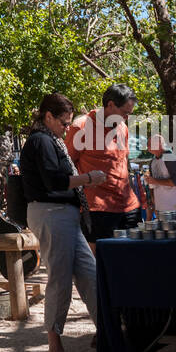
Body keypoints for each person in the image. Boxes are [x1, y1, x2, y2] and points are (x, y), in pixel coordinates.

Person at [20, 92, 106, 352]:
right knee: (59, 282)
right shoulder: (40, 140)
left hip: (64, 216)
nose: (67, 128)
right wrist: (88, 179)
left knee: (91, 275)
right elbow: (54, 180)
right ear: (48, 117)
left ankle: (108, 335)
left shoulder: (51, 140)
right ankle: (55, 351)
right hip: (51, 213)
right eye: (64, 123)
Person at [66, 83, 140, 244]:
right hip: (97, 208)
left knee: (132, 260)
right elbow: (67, 166)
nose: (127, 118)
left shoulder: (123, 128)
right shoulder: (81, 126)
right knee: (99, 263)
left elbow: (123, 164)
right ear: (111, 105)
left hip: (129, 206)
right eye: (125, 113)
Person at [145, 134, 176, 215]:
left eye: (149, 144)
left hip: (173, 207)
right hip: (160, 207)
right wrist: (154, 202)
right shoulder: (153, 161)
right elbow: (152, 184)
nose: (147, 147)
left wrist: (155, 181)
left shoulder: (169, 157)